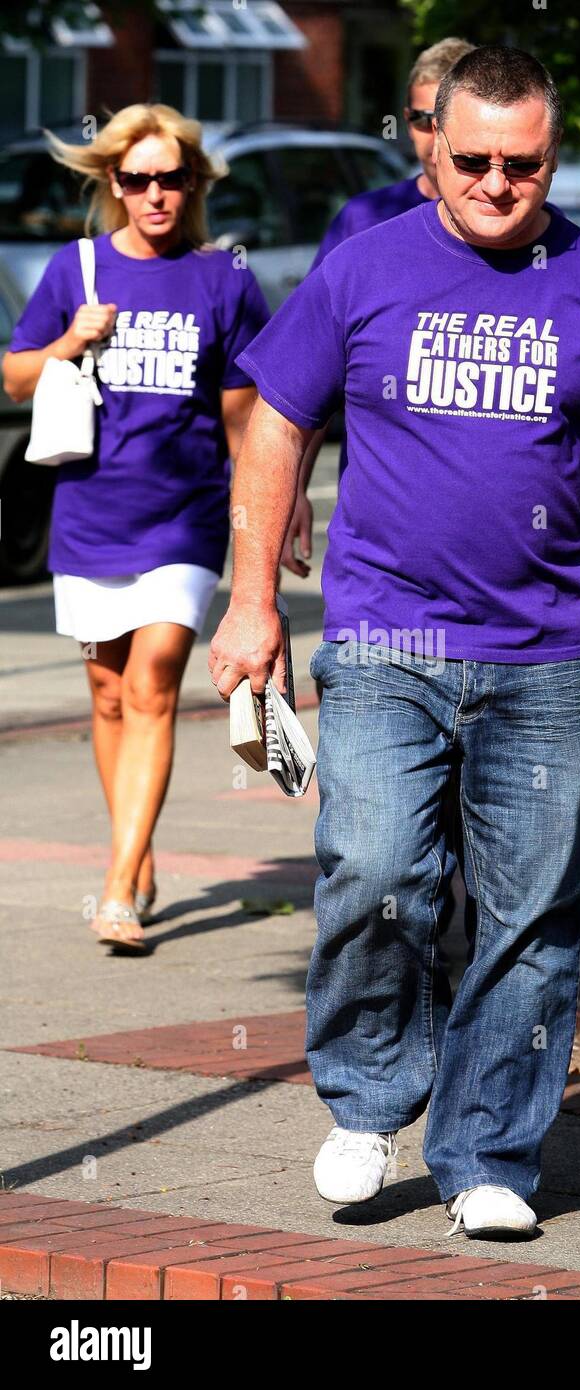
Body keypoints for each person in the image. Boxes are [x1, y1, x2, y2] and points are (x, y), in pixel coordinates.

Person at [208, 46, 580, 1239]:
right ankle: (372, 1098)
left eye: (522, 164)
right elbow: (277, 425)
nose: (495, 183)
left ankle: (488, 1151)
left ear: (552, 153)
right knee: (376, 872)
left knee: (531, 918)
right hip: (386, 639)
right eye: (471, 158)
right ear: (431, 144)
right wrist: (250, 601)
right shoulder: (363, 268)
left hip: (542, 661)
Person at [4, 104, 268, 952]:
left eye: (171, 177)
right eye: (137, 179)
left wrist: (271, 513)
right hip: (88, 514)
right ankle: (137, 849)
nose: (155, 193)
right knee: (109, 693)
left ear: (193, 183)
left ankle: (118, 889)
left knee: (154, 678)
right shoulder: (74, 269)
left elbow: (244, 421)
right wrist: (65, 344)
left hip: (185, 516)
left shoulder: (223, 279)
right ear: (112, 183)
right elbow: (12, 379)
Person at [283, 36, 475, 580]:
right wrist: (291, 487)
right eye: (419, 119)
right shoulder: (365, 222)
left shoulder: (526, 231)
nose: (433, 137)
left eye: (446, 119)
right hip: (379, 550)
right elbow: (308, 373)